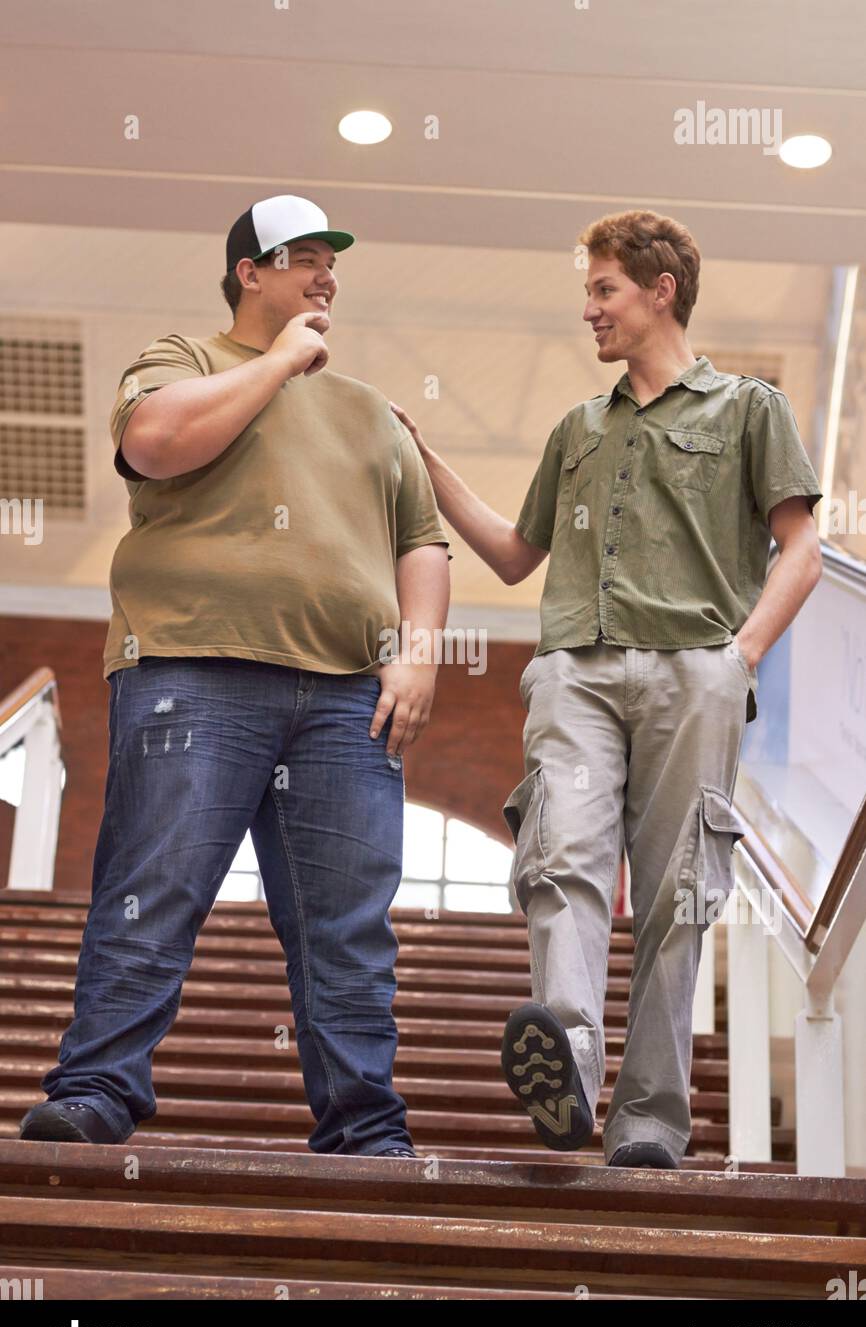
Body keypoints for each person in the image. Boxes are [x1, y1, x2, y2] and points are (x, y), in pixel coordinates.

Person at [390, 209, 823, 1169]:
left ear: (660, 290)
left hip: (695, 669)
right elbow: (513, 555)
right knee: (561, 861)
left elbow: (803, 550)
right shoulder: (577, 429)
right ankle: (571, 1065)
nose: (589, 311)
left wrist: (740, 657)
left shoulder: (749, 409)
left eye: (603, 291)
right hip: (574, 671)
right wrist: (426, 462)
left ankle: (652, 1120)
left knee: (677, 891)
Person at [20, 194, 451, 1157]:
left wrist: (417, 654)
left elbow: (422, 544)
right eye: (300, 257)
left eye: (331, 259)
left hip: (348, 695)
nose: (324, 273)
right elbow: (156, 444)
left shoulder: (370, 414)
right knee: (153, 886)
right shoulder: (183, 361)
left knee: (349, 924)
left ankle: (365, 1128)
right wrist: (281, 362)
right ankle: (96, 1091)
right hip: (193, 671)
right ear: (248, 273)